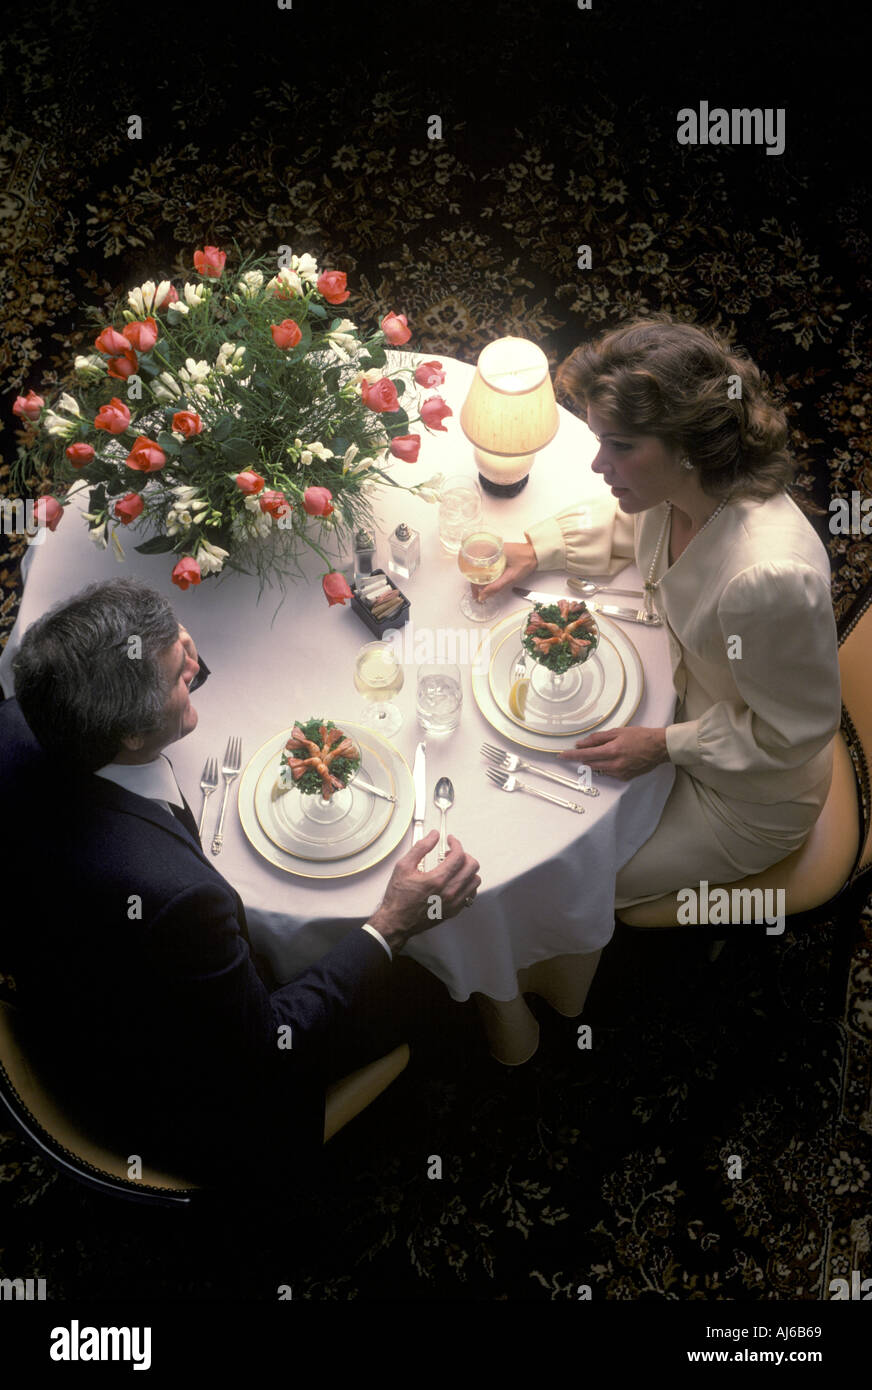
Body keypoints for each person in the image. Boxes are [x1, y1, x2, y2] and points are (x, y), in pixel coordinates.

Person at [0, 578, 481, 1187]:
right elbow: (267, 1041)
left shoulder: (22, 719)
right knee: (429, 987)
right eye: (182, 673)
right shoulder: (174, 895)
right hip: (200, 1101)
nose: (197, 665)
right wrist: (391, 924)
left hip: (62, 990)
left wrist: (166, 673)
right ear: (129, 733)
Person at [479, 314, 842, 916]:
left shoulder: (768, 580)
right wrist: (536, 548)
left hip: (744, 796)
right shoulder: (683, 490)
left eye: (620, 447)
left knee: (557, 882)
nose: (600, 465)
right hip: (678, 707)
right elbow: (627, 520)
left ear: (691, 446)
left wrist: (666, 744)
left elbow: (795, 731)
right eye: (600, 442)